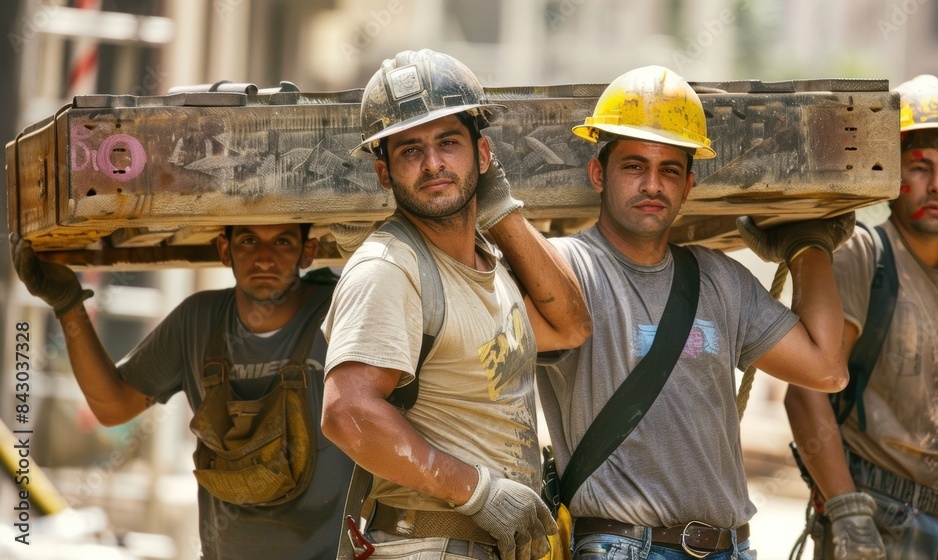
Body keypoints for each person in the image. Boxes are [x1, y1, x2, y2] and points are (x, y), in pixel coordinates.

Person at [533, 65, 855, 560]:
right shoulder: (565, 269)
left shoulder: (720, 280)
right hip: (623, 546)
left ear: (688, 186)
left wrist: (808, 246)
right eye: (634, 166)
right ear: (598, 173)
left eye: (669, 171)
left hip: (730, 549)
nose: (652, 185)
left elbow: (827, 368)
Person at [320, 49, 592, 560]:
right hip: (430, 543)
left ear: (482, 155)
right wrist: (477, 491)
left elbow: (572, 325)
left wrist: (503, 213)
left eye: (449, 143)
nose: (433, 164)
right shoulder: (390, 269)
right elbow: (347, 413)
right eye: (409, 151)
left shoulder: (489, 267)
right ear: (385, 173)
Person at [9, 223, 355, 560]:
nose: (264, 258)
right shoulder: (197, 321)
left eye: (282, 242)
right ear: (225, 249)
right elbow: (113, 407)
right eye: (249, 240)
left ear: (307, 251)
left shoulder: (340, 316)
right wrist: (68, 304)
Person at [785, 75, 938, 559]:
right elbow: (804, 396)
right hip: (877, 519)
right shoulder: (863, 255)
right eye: (920, 168)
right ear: (889, 173)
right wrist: (845, 509)